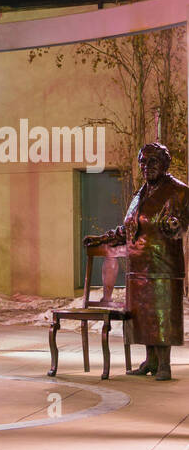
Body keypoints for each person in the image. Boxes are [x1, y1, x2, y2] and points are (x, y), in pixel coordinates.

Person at [85, 141, 189, 381]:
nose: (145, 166)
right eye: (142, 161)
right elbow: (129, 227)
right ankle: (150, 361)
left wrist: (174, 225)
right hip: (137, 266)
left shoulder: (180, 191)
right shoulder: (139, 193)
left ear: (164, 164)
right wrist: (103, 237)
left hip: (162, 266)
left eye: (152, 161)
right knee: (142, 315)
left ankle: (164, 364)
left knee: (161, 314)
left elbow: (181, 226)